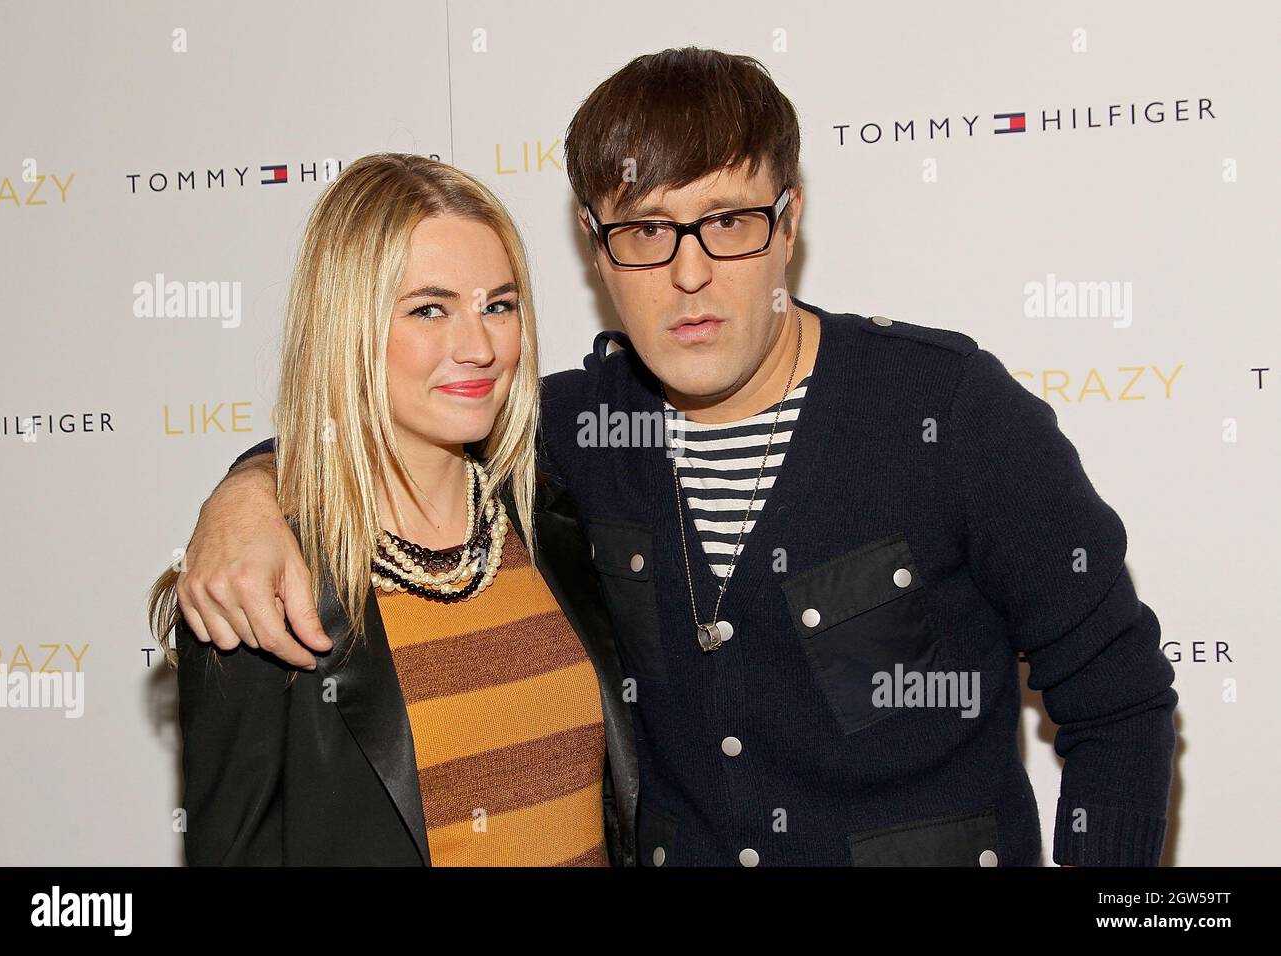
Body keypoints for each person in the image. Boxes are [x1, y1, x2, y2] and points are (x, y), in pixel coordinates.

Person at [175, 48, 1177, 867]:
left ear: (788, 223)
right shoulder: (564, 435)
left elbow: (1121, 703)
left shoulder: (946, 412)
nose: (689, 274)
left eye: (728, 222)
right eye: (647, 231)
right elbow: (385, 407)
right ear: (594, 243)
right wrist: (253, 489)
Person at [148, 153, 636, 866]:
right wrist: (249, 494)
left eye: (498, 305)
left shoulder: (556, 514)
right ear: (349, 324)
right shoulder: (265, 588)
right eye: (429, 309)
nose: (479, 347)